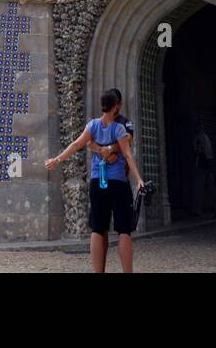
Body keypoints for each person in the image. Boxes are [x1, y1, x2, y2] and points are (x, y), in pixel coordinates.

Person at [45, 88, 145, 273]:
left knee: (98, 228)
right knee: (124, 230)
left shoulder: (92, 126)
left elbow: (76, 144)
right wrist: (138, 179)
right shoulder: (119, 128)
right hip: (117, 183)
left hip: (97, 182)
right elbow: (128, 155)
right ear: (116, 107)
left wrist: (56, 160)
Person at [191, 117, 216, 217]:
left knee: (198, 188)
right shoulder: (206, 137)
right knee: (211, 187)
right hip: (208, 164)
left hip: (201, 164)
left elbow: (199, 151)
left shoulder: (198, 138)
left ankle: (197, 210)